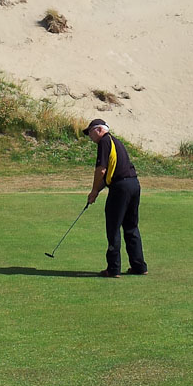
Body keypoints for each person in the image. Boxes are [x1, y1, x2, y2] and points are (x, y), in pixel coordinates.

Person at [84, 118, 147, 277]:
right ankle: (139, 266)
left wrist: (93, 191)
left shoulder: (104, 142)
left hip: (121, 188)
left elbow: (102, 170)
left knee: (113, 227)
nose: (90, 137)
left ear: (98, 130)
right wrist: (97, 191)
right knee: (131, 227)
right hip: (133, 185)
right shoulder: (115, 141)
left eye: (90, 133)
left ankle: (113, 268)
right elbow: (110, 174)